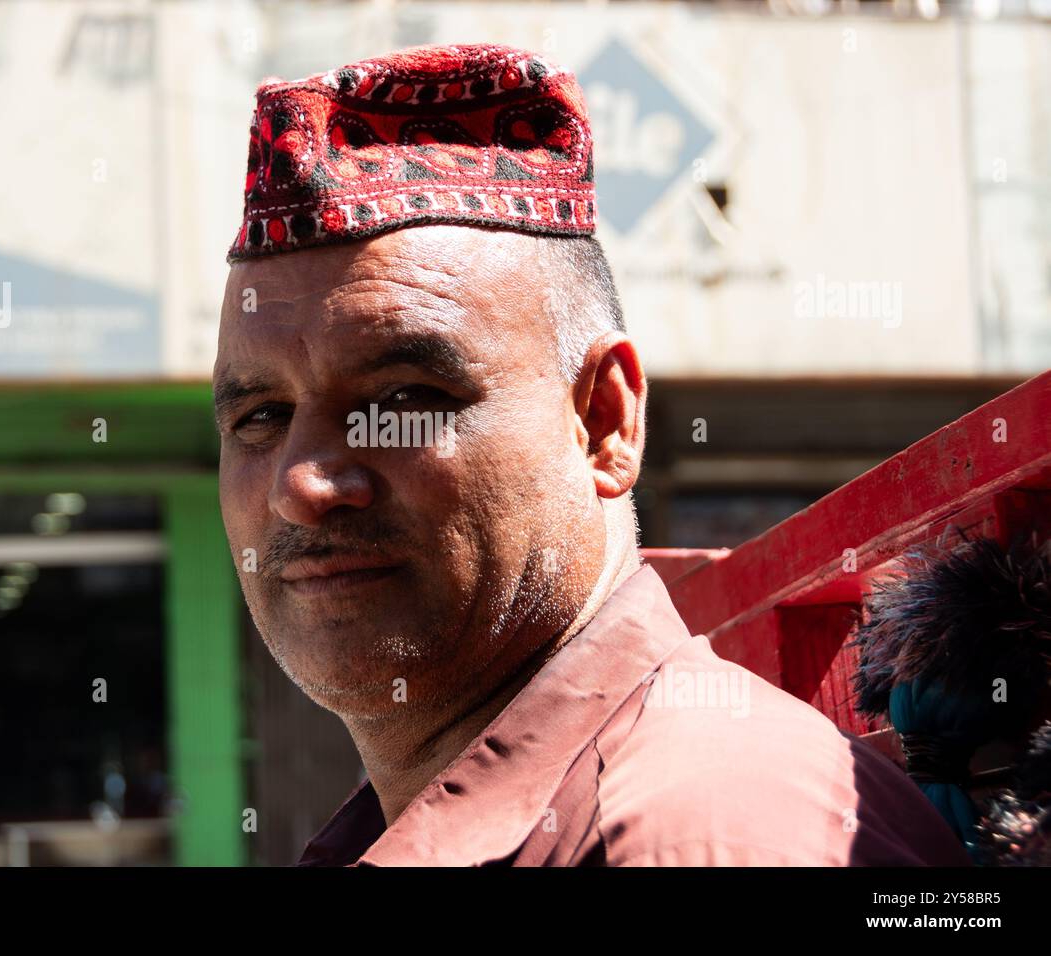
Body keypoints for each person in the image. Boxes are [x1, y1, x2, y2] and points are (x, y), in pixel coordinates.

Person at [213, 42, 970, 866]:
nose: (304, 483)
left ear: (605, 421)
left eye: (403, 400)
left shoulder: (705, 835)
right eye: (260, 415)